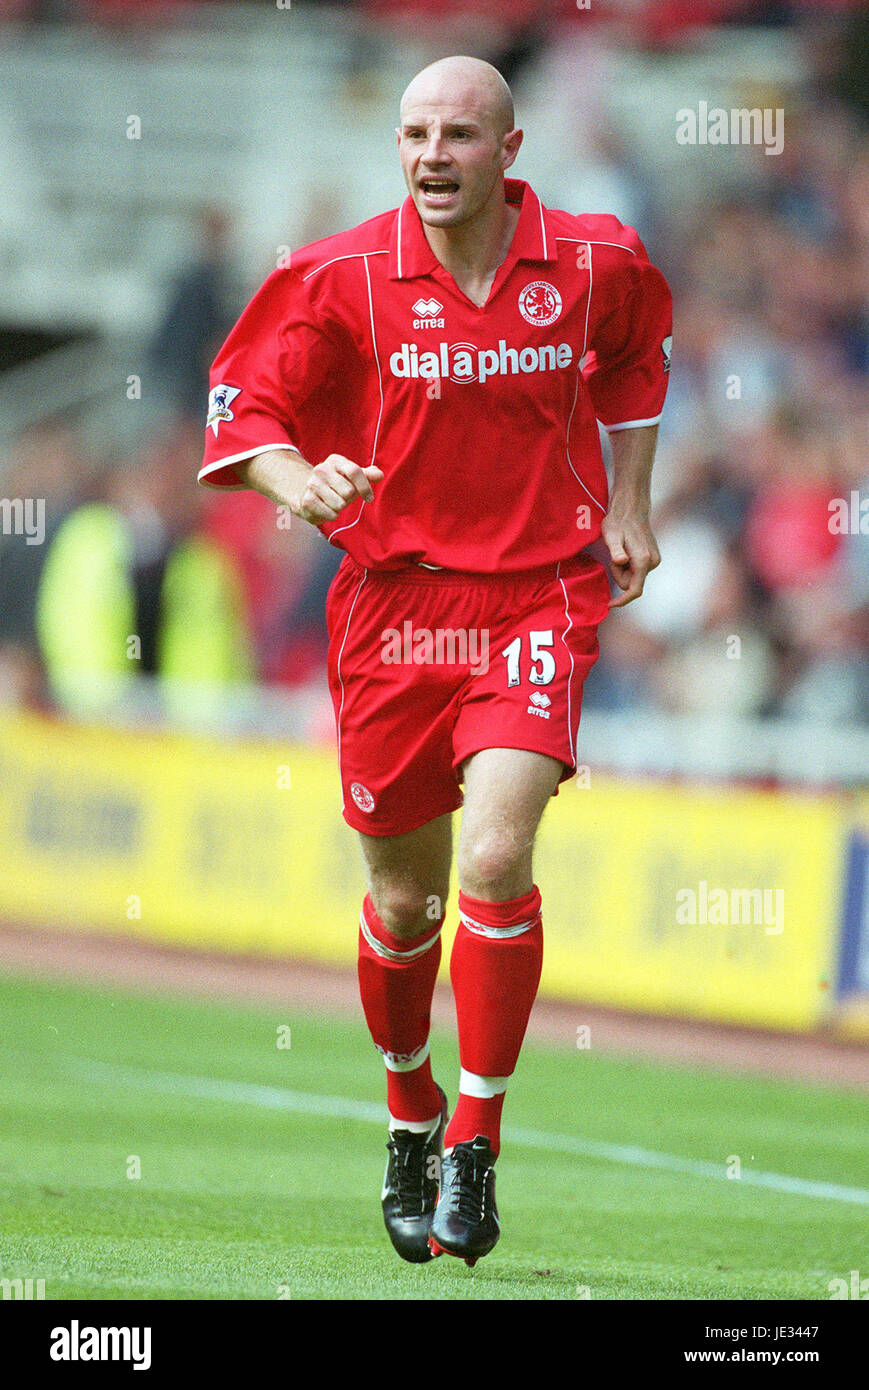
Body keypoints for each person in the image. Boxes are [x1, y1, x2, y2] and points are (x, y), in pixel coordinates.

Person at [198, 55, 672, 1267]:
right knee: (404, 902)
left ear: (509, 150)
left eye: (458, 133)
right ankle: (408, 1106)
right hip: (391, 613)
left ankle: (474, 1138)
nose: (430, 155)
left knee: (497, 853)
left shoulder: (593, 262)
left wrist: (628, 500)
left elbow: (631, 361)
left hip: (536, 595)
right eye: (414, 133)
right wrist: (301, 480)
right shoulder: (339, 275)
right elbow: (238, 409)